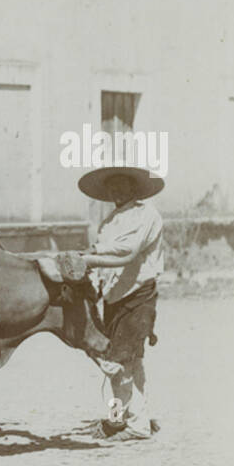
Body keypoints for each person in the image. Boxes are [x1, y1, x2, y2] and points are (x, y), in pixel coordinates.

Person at [79, 167, 164, 441]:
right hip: (114, 299)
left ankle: (126, 424)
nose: (117, 192)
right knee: (131, 363)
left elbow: (127, 250)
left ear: (135, 189)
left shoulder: (146, 215)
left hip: (138, 296)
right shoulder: (110, 222)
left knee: (119, 363)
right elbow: (102, 262)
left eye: (122, 186)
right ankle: (135, 418)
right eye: (112, 188)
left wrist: (91, 255)